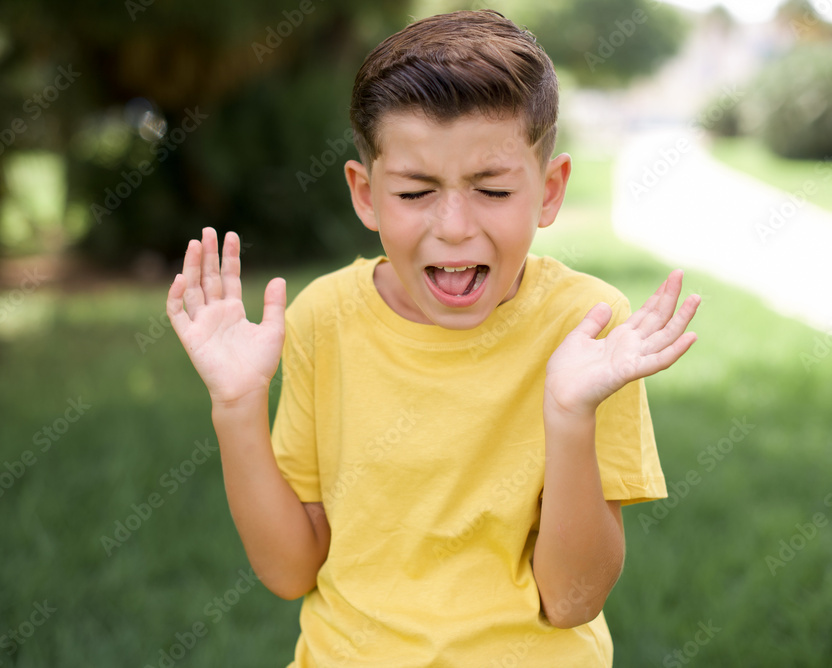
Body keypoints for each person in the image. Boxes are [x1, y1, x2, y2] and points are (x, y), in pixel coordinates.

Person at [166, 9, 700, 667]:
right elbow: (289, 572)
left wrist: (569, 415)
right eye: (417, 191)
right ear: (365, 195)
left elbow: (573, 600)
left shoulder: (587, 328)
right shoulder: (324, 318)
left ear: (549, 191)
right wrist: (236, 407)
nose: (454, 226)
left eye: (494, 189)